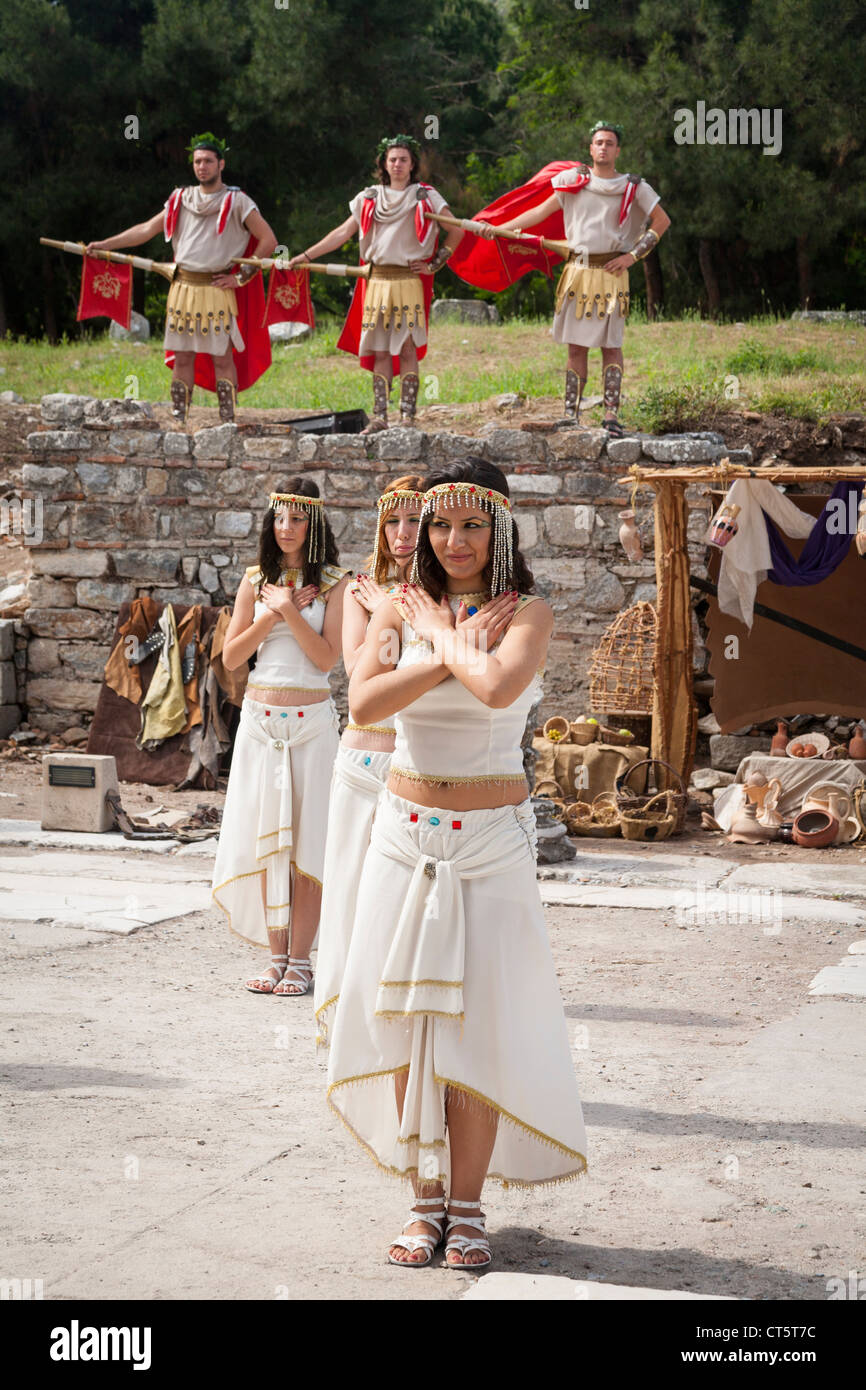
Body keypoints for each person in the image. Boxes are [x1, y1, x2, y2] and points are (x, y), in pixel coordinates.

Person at [328, 459, 587, 1270]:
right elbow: (364, 705)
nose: (452, 540)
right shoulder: (397, 608)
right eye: (440, 525)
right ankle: (424, 1201)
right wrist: (446, 646)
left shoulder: (528, 611)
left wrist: (437, 637)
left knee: (474, 1025)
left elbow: (500, 689)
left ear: (502, 529)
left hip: (489, 845)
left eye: (473, 525)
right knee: (406, 1020)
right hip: (402, 835)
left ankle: (468, 1208)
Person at [212, 479, 348, 996]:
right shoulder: (254, 579)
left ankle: (302, 960)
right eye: (278, 518)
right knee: (269, 839)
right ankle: (274, 957)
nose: (286, 528)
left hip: (312, 724)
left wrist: (292, 610)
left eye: (296, 518)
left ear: (314, 523)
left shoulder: (336, 582)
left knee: (307, 839)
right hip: (260, 721)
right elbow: (231, 658)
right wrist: (273, 611)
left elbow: (326, 660)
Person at [313, 475, 427, 1047]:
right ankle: (344, 1014)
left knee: (404, 894)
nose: (403, 533)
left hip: (416, 757)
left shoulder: (439, 589)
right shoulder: (361, 586)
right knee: (352, 883)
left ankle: (399, 1016)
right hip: (364, 752)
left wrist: (394, 611)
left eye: (413, 520)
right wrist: (391, 610)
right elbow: (357, 672)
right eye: (393, 521)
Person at [478, 122, 670, 434]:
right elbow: (538, 213)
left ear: (618, 150)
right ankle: (571, 414)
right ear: (591, 149)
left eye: (609, 143)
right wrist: (498, 226)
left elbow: (662, 221)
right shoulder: (574, 183)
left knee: (611, 346)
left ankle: (611, 416)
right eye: (598, 142)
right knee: (576, 348)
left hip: (612, 273)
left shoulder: (634, 186)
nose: (604, 147)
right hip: (577, 273)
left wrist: (632, 256)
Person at [86, 132, 277, 424]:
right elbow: (145, 230)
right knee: (183, 356)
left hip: (215, 289)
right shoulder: (180, 199)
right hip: (183, 288)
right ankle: (179, 420)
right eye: (198, 161)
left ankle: (227, 420)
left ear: (221, 164)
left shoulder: (238, 201)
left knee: (222, 358)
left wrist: (240, 277)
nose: (202, 166)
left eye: (208, 161)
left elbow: (268, 240)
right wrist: (105, 245)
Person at [286, 136, 462, 433]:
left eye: (403, 159)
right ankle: (380, 417)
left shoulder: (426, 196)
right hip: (378, 281)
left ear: (412, 164)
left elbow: (456, 229)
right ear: (383, 164)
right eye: (392, 159)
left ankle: (408, 417)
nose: (397, 165)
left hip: (407, 281)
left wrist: (436, 262)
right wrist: (305, 255)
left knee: (406, 350)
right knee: (380, 351)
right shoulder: (369, 197)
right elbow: (341, 233)